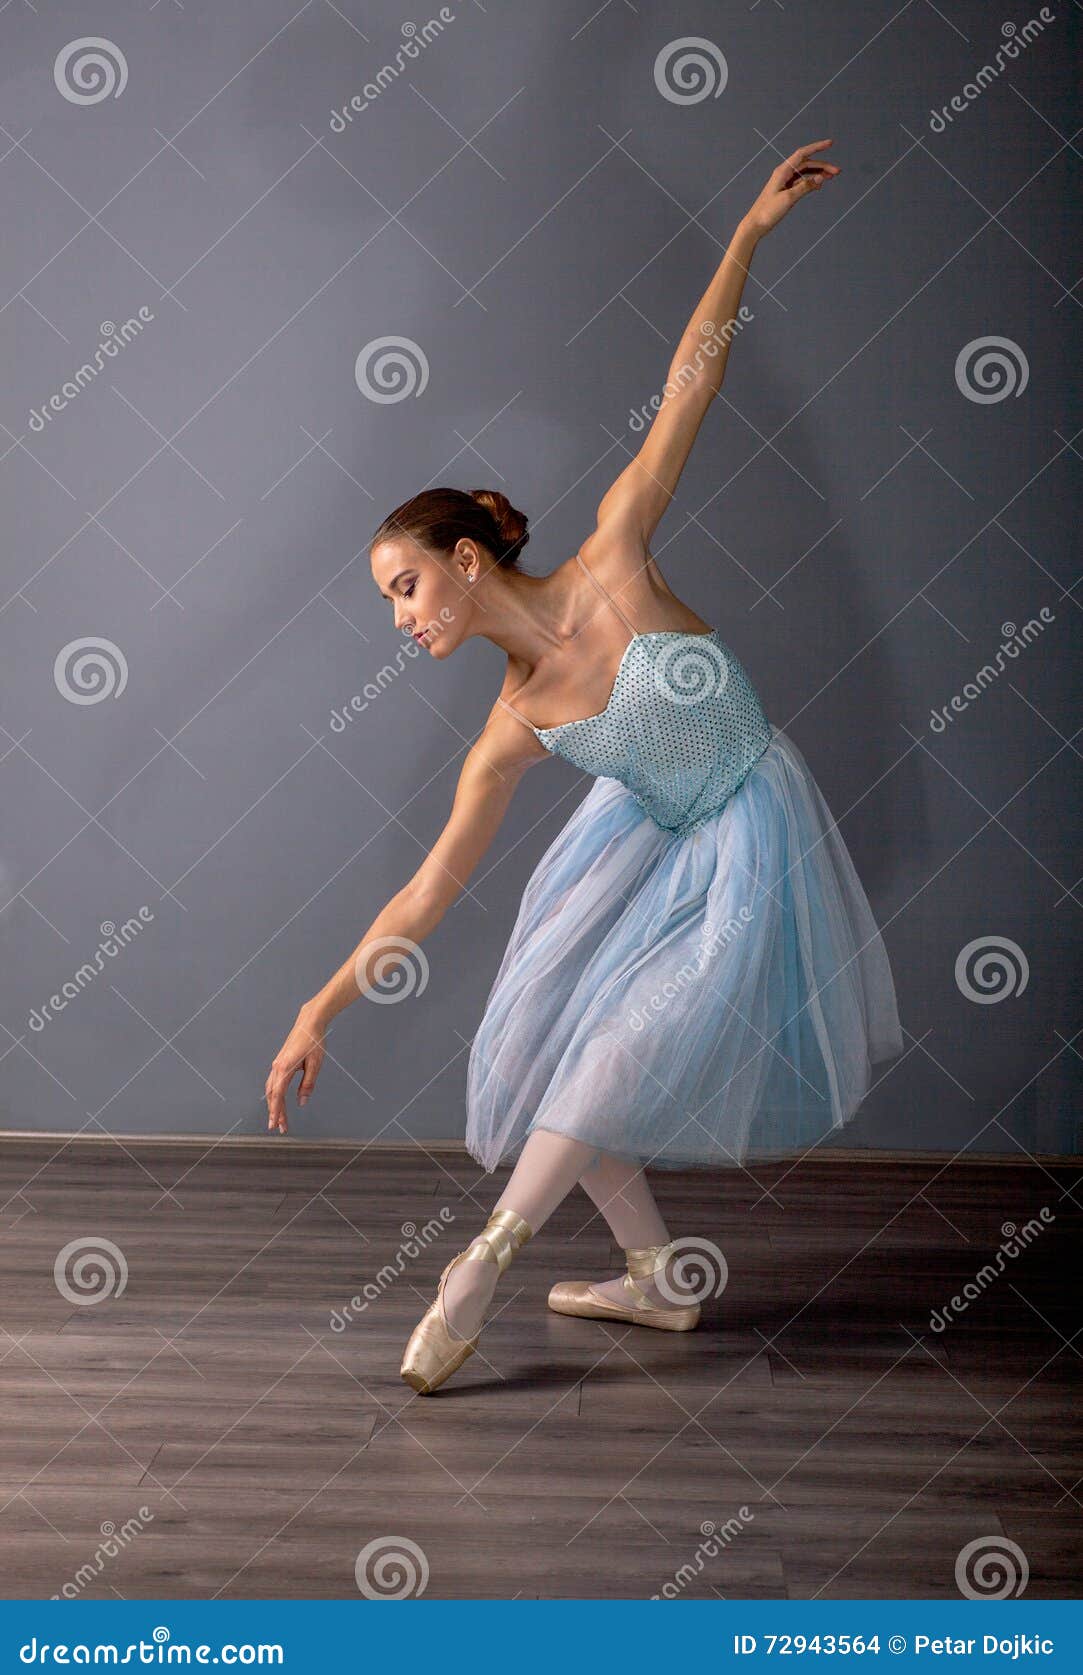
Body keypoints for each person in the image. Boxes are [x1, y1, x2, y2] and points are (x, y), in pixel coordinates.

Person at [264, 140, 904, 1395]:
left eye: (404, 588)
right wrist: (318, 1007)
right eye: (388, 604)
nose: (400, 620)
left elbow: (689, 387)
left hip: (747, 826)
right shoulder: (509, 727)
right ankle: (657, 1280)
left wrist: (747, 237)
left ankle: (482, 1265)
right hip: (650, 838)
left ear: (463, 559)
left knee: (608, 1056)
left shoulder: (617, 551)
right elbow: (427, 893)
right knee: (571, 1049)